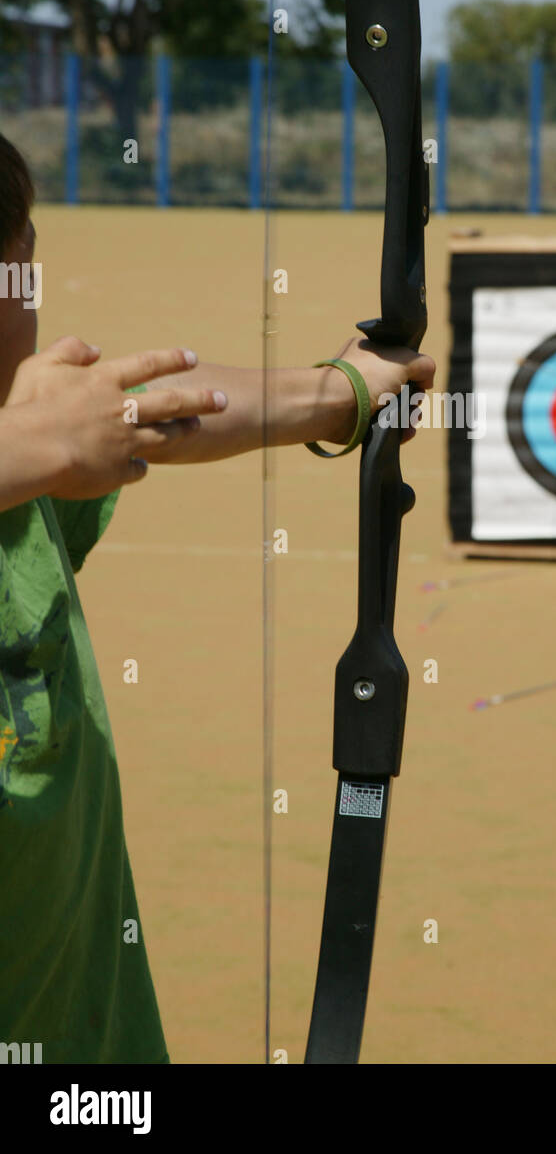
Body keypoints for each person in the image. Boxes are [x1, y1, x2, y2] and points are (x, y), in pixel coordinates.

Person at [0, 132, 434, 1063]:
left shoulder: (26, 490)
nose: (23, 307)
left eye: (23, 273)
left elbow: (171, 414)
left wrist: (341, 391)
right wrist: (38, 445)